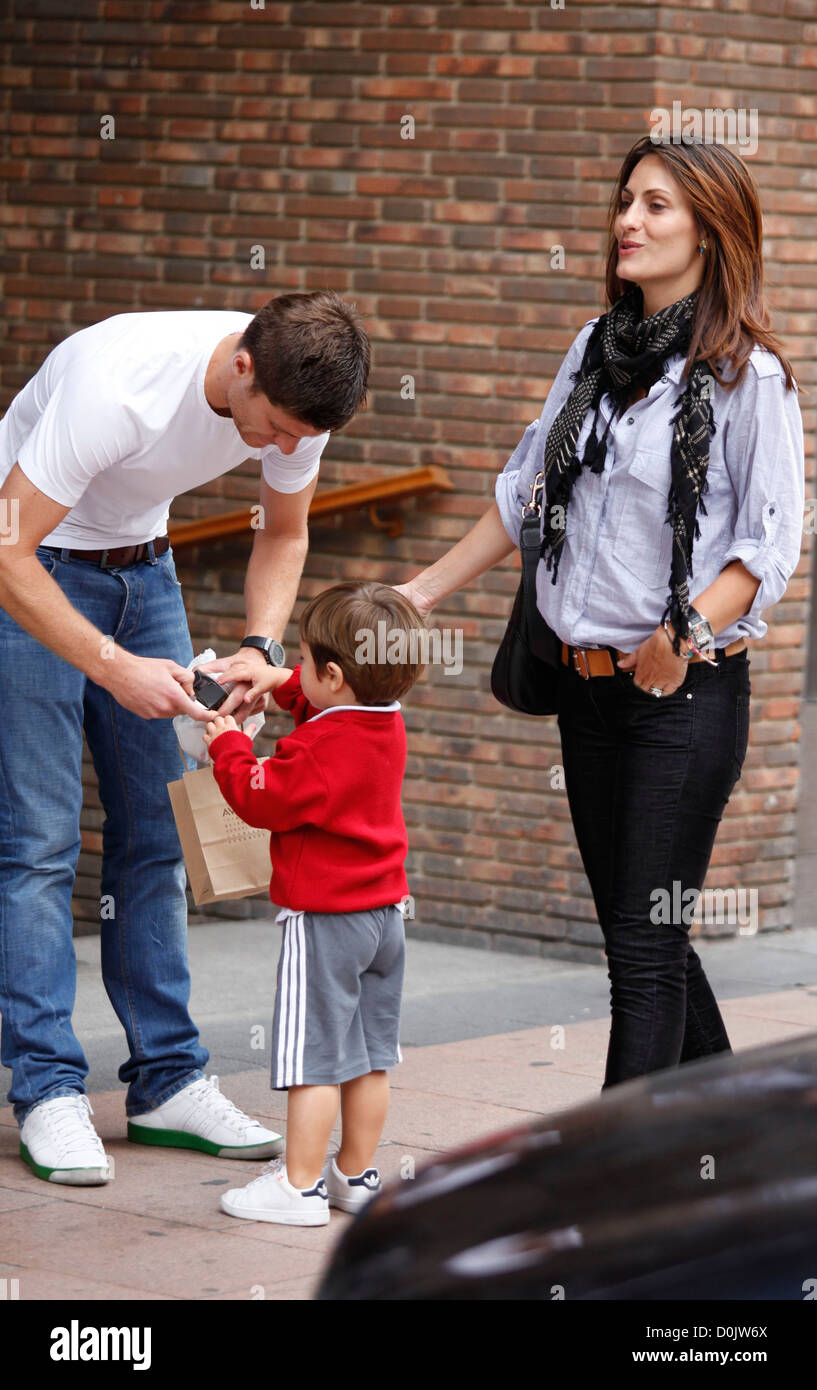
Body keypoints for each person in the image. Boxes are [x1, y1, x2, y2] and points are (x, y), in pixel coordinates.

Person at [394, 135, 805, 1089]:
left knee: (642, 952)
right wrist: (417, 594)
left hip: (681, 699)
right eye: (626, 201)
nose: (627, 220)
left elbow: (767, 546)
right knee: (643, 930)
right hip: (586, 693)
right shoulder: (592, 350)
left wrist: (680, 634)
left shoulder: (754, 379)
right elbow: (526, 490)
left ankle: (618, 1196)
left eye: (656, 206)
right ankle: (735, 1134)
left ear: (711, 230)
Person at [0, 290, 370, 1183]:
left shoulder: (299, 397)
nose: (284, 449)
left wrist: (261, 648)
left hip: (146, 573)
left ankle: (166, 1083)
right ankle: (48, 1091)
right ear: (242, 366)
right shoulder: (117, 384)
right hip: (32, 572)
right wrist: (111, 665)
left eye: (298, 438)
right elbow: (5, 546)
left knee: (162, 836)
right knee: (40, 845)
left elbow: (284, 534)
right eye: (275, 429)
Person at [202, 581, 425, 1224]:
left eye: (302, 660)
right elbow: (323, 703)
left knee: (313, 1059)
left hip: (325, 921)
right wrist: (278, 678)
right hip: (384, 918)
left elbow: (260, 795)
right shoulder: (385, 719)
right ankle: (355, 1176)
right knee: (370, 1058)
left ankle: (297, 1188)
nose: (294, 671)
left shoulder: (318, 750)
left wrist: (227, 742)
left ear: (334, 673)